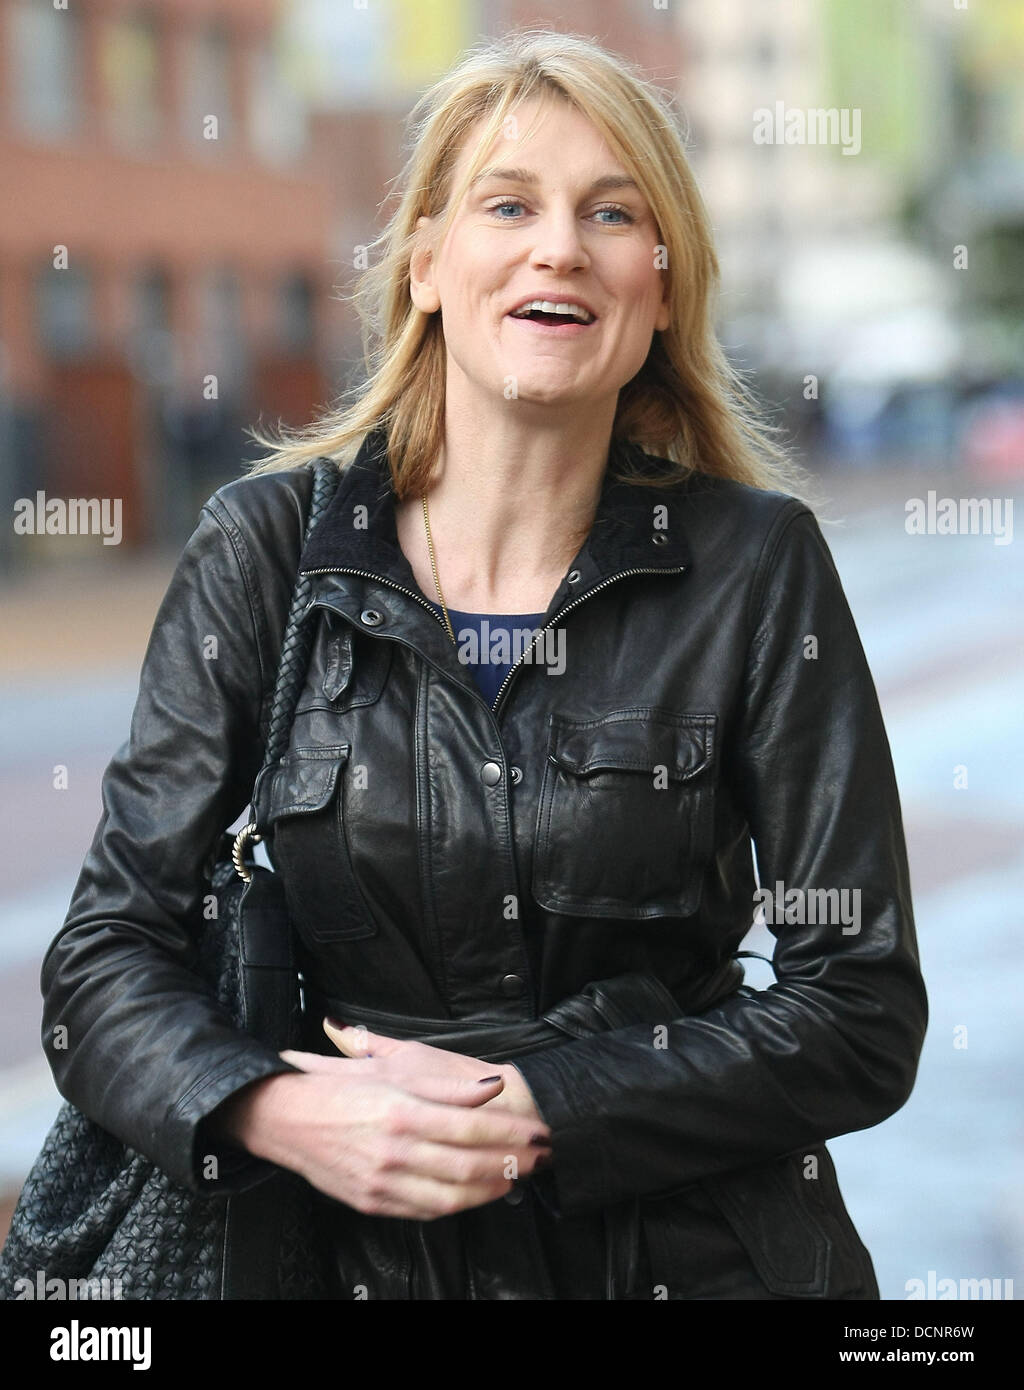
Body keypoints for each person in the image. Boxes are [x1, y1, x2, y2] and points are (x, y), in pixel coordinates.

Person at [38, 30, 927, 1299]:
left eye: (611, 213)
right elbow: (105, 954)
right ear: (427, 263)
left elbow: (861, 1009)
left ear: (662, 286)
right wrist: (277, 1109)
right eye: (507, 204)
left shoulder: (756, 564)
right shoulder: (268, 548)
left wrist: (538, 1106)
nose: (557, 246)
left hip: (695, 1266)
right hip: (345, 1261)